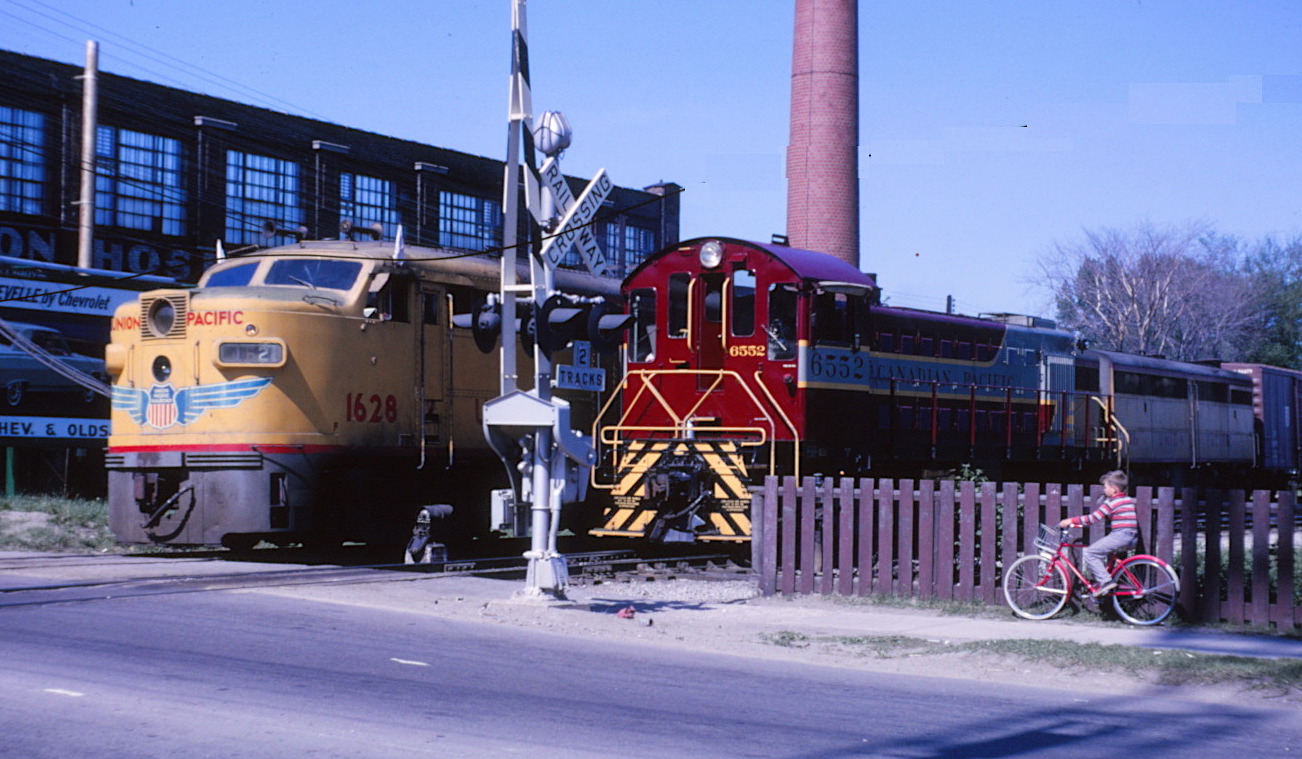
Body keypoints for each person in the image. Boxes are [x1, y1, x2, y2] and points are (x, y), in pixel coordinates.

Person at [1058, 470, 1138, 597]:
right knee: (1105, 554)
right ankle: (1106, 584)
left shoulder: (1110, 503)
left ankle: (1106, 582)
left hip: (1120, 536)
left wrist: (1070, 520)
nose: (1104, 490)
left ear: (1114, 489)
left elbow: (1092, 519)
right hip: (1131, 537)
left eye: (1105, 487)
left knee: (1090, 553)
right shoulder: (1128, 500)